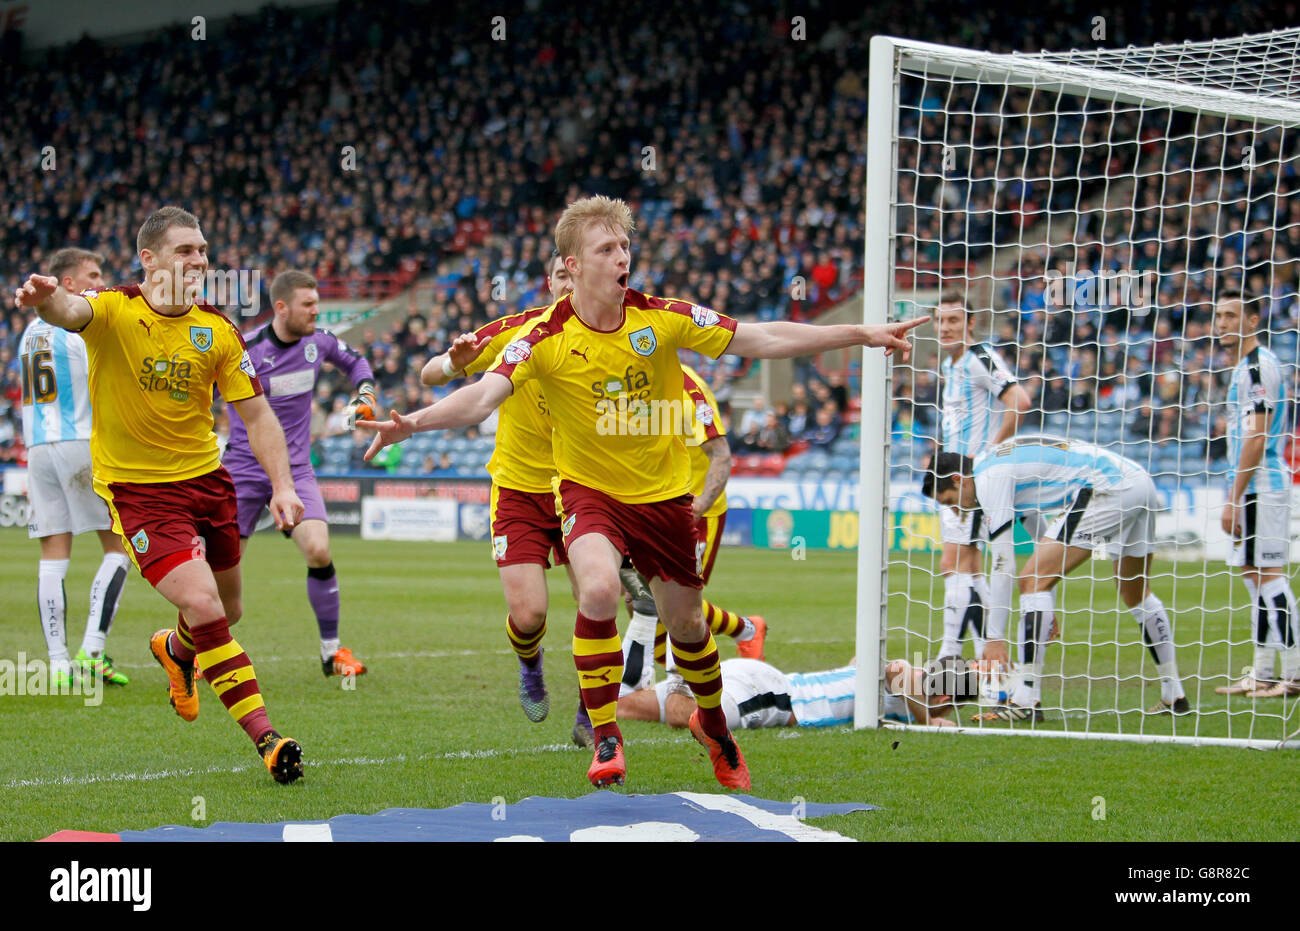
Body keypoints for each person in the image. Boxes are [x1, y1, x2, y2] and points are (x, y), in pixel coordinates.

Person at [360, 195, 922, 790]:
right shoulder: (540, 336)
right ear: (571, 266)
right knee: (598, 590)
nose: (622, 256)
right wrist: (411, 423)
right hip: (585, 493)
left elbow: (763, 339)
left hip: (661, 500)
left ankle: (717, 731)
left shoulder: (663, 317)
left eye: (625, 245)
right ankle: (605, 736)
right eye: (607, 248)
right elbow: (479, 399)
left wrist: (861, 332)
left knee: (688, 630)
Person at [13, 206, 306, 783]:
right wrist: (47, 298)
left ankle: (175, 650)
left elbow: (255, 414)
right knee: (206, 606)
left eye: (201, 249)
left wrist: (283, 484)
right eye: (184, 250)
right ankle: (268, 740)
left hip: (208, 482)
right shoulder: (112, 310)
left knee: (229, 609)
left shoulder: (217, 329)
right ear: (148, 259)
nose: (198, 259)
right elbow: (69, 309)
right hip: (140, 493)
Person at [420, 252, 582, 734]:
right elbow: (429, 375)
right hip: (519, 488)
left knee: (596, 599)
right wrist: (453, 361)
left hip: (584, 488)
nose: (568, 287)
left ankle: (593, 706)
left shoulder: (619, 336)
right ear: (549, 283)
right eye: (560, 278)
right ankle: (530, 665)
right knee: (528, 613)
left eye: (575, 278)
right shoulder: (519, 330)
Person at [923, 437, 1189, 721]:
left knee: (1032, 580)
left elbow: (1003, 562)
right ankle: (1174, 693)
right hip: (1139, 482)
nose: (957, 512)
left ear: (958, 480)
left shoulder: (988, 479)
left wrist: (995, 638)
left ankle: (1026, 700)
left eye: (950, 502)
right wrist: (1042, 605)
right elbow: (1036, 525)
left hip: (1106, 488)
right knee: (1134, 592)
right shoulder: (996, 461)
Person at [223, 270, 373, 678]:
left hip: (296, 470)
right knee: (224, 576)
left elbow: (355, 361)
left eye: (316, 302)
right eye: (308, 304)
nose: (316, 310)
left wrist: (365, 395)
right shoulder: (246, 348)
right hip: (243, 469)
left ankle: (331, 653)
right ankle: (200, 652)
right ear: (282, 307)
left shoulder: (318, 342)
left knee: (319, 550)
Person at [18, 248, 131, 688]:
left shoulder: (29, 331)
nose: (100, 282)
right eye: (93, 275)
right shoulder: (80, 326)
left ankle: (60, 664)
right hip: (81, 443)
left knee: (52, 556)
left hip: (38, 448)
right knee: (119, 546)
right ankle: (93, 650)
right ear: (66, 283)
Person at [619, 363, 766, 697]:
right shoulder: (623, 382)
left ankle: (726, 643)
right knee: (635, 596)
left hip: (695, 512)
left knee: (679, 602)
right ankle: (664, 670)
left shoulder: (689, 389)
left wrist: (698, 507)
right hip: (648, 506)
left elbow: (721, 456)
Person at [933, 293, 1032, 666]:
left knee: (955, 564)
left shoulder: (979, 359)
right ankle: (987, 655)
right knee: (969, 568)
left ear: (970, 324)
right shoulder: (950, 365)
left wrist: (986, 454)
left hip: (972, 481)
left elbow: (1019, 401)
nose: (946, 327)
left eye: (954, 321)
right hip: (956, 478)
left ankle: (949, 656)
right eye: (940, 321)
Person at [1212, 290, 1299, 698]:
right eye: (1218, 317)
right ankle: (1263, 672)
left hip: (1261, 486)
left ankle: (1295, 673)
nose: (1222, 323)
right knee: (1254, 577)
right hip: (1255, 486)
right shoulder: (1245, 368)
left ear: (1252, 321)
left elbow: (1258, 435)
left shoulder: (1257, 368)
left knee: (1269, 576)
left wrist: (1234, 495)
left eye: (1231, 316)